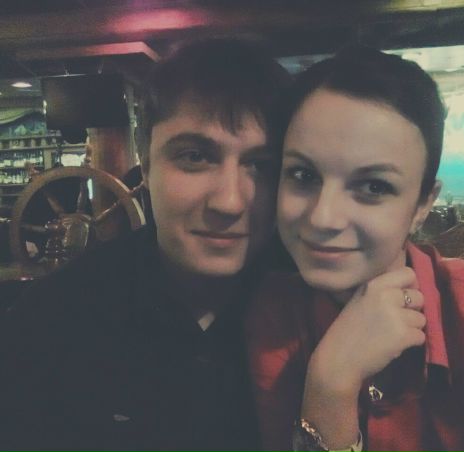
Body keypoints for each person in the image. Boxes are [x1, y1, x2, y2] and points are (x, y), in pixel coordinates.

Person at [246, 47, 464, 451]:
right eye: (303, 174)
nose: (322, 217)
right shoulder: (275, 315)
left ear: (422, 205)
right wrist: (331, 384)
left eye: (373, 186)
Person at [0, 38, 290, 451]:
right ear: (146, 163)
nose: (229, 202)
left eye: (262, 165)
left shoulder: (319, 307)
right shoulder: (48, 322)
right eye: (194, 157)